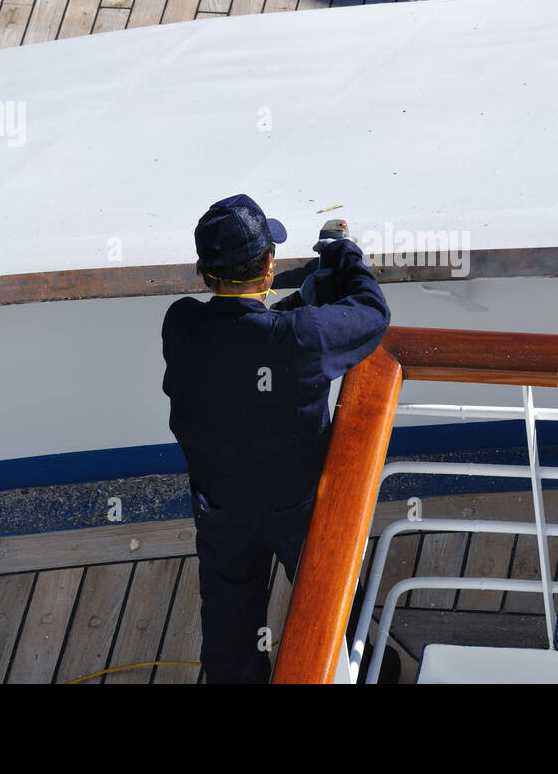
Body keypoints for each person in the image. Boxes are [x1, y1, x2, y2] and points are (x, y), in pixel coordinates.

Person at [161, 194, 390, 683]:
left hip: (220, 509)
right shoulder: (300, 338)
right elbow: (371, 313)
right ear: (269, 266)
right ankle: (370, 671)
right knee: (333, 607)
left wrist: (300, 303)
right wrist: (342, 253)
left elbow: (240, 337)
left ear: (203, 271)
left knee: (229, 636)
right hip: (297, 509)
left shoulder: (180, 324)